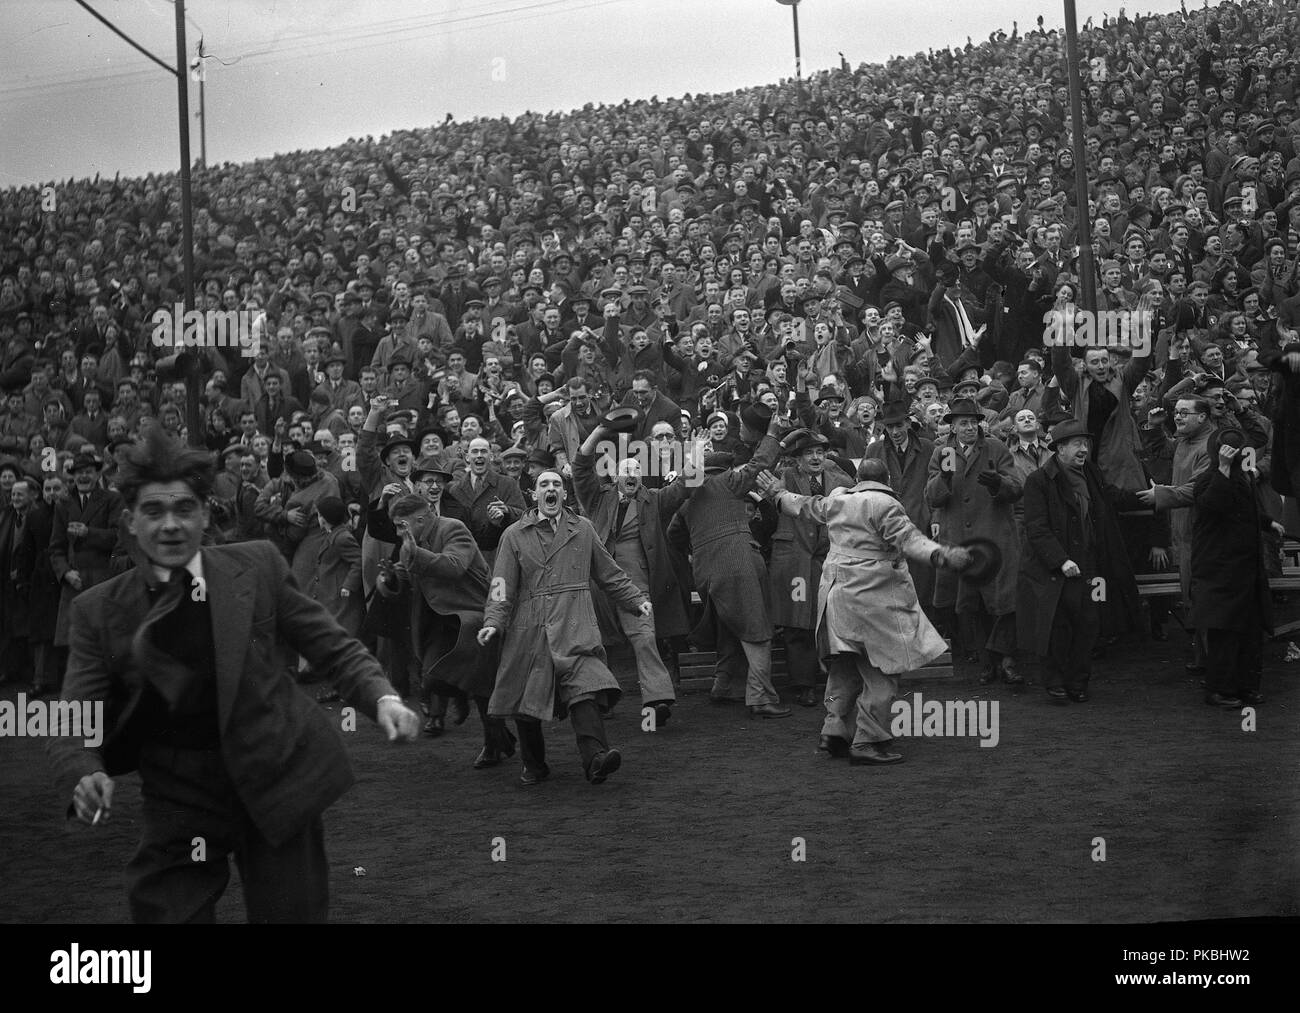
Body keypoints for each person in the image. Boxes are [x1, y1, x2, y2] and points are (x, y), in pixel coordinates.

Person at [48, 428, 419, 923]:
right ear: (131, 522)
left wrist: (383, 699)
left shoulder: (258, 565)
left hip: (277, 773)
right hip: (179, 797)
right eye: (154, 512)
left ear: (205, 514)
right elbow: (76, 713)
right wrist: (85, 771)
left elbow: (330, 645)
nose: (171, 525)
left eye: (184, 509)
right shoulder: (98, 611)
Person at [755, 458, 973, 764]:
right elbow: (910, 541)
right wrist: (943, 555)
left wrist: (777, 492)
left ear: (858, 477)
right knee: (882, 671)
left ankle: (833, 731)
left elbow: (803, 505)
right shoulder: (885, 504)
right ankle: (867, 740)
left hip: (837, 597)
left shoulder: (838, 501)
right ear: (886, 479)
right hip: (874, 600)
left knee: (843, 667)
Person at [479, 470, 649, 787]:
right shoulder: (514, 535)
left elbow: (609, 574)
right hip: (530, 627)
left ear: (565, 494)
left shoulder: (582, 529)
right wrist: (493, 622)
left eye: (557, 484)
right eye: (544, 485)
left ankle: (596, 759)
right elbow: (501, 587)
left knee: (586, 686)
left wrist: (636, 600)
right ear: (534, 495)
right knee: (526, 699)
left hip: (576, 622)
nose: (551, 488)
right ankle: (533, 764)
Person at [572, 421, 701, 726]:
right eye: (625, 471)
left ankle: (656, 700)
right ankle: (600, 700)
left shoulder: (653, 499)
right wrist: (599, 433)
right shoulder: (597, 497)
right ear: (615, 476)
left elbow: (687, 485)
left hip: (636, 583)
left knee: (644, 637)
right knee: (596, 642)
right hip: (597, 583)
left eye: (636, 471)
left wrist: (695, 454)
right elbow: (580, 467)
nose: (631, 475)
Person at [385, 493, 517, 766]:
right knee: (432, 680)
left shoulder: (453, 528)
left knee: (482, 689)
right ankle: (467, 701)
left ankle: (493, 746)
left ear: (420, 519)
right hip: (439, 620)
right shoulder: (410, 542)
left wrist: (414, 552)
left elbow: (454, 567)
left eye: (402, 526)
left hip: (473, 616)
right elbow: (413, 579)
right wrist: (391, 580)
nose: (398, 532)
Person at [675, 408, 790, 717]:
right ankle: (761, 697)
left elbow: (674, 535)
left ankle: (723, 684)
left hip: (705, 571)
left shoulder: (686, 498)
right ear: (722, 468)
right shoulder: (727, 482)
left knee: (729, 625)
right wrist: (773, 434)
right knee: (757, 629)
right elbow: (761, 463)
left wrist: (695, 552)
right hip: (737, 563)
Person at [1017, 419, 1140, 703]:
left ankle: (1078, 682)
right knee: (1058, 626)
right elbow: (1037, 528)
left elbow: (1113, 498)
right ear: (1060, 449)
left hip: (1091, 565)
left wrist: (1153, 497)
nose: (1083, 449)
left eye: (1085, 444)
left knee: (1088, 624)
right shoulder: (1039, 480)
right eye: (1077, 444)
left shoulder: (1092, 474)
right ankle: (1056, 682)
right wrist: (1061, 560)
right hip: (1057, 569)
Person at [924, 398, 1024, 685]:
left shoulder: (996, 448)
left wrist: (999, 484)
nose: (969, 428)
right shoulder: (942, 453)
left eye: (973, 422)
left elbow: (1017, 488)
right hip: (961, 541)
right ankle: (987, 662)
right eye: (963, 423)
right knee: (972, 605)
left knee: (1005, 602)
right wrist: (942, 477)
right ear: (952, 427)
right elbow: (932, 498)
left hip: (996, 538)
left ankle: (1006, 661)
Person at [1191, 429, 1281, 708]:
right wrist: (1224, 469)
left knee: (1250, 632)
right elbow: (1212, 506)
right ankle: (1219, 690)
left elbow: (1248, 508)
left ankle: (1247, 687)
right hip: (1220, 570)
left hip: (1245, 569)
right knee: (1225, 633)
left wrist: (1268, 523)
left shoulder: (1244, 480)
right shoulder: (1207, 479)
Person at [767, 428, 853, 707]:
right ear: (797, 458)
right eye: (808, 453)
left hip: (828, 560)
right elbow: (761, 476)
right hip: (795, 562)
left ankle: (833, 682)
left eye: (819, 452)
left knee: (830, 619)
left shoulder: (840, 479)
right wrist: (783, 441)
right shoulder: (786, 477)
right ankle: (803, 685)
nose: (815, 458)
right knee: (798, 623)